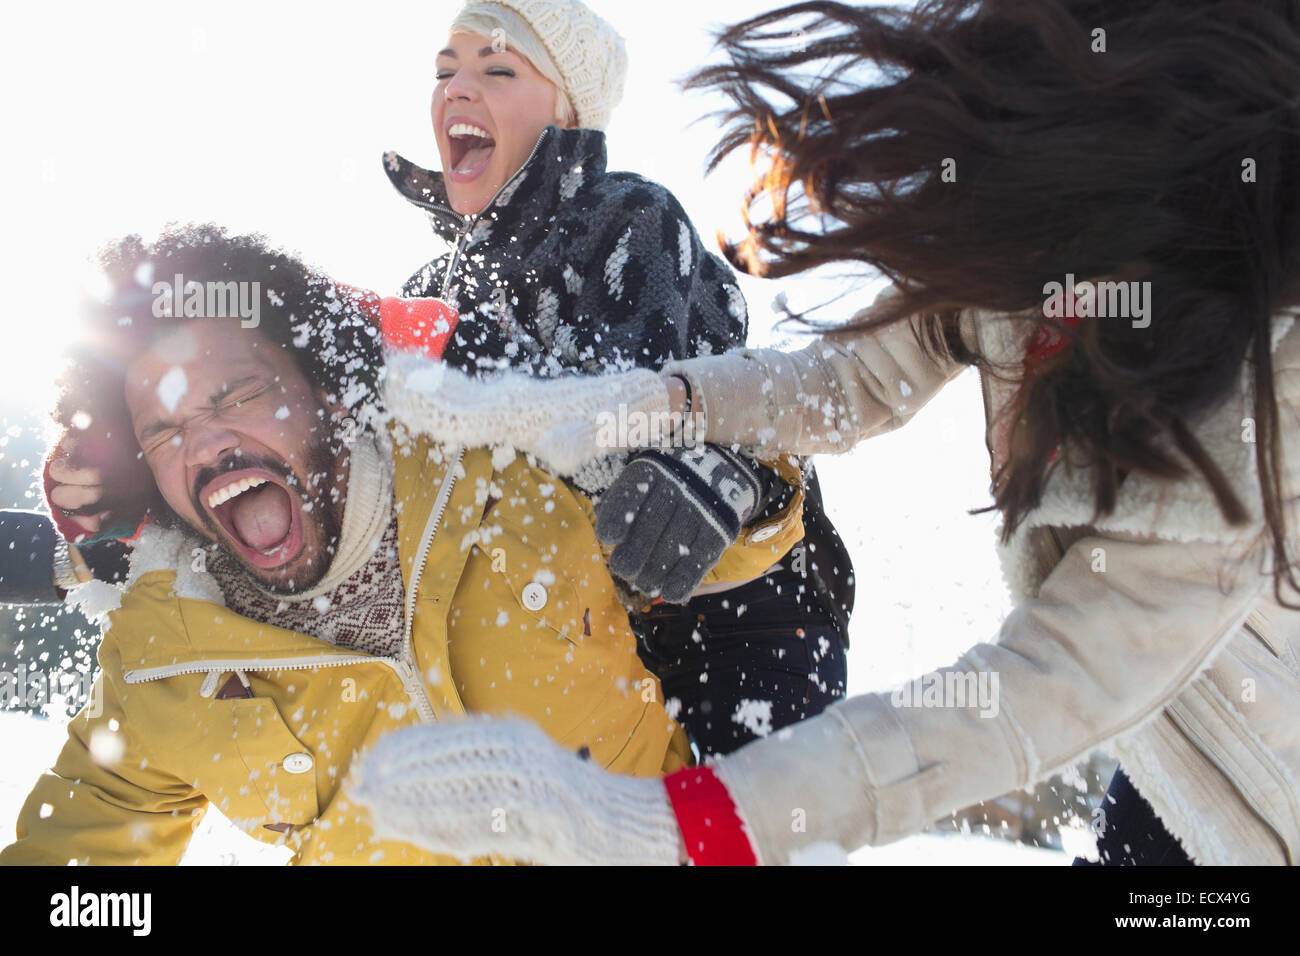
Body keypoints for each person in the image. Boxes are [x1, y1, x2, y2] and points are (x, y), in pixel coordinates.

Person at [346, 0, 1300, 866]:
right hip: (1180, 754)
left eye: (501, 66)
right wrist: (602, 408)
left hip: (1260, 780)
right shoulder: (1033, 251)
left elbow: (1040, 690)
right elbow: (847, 381)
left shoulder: (1260, 406)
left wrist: (677, 823)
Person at [0, 225, 781, 865]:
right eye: (162, 431)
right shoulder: (164, 663)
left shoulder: (505, 465)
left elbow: (758, 537)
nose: (204, 440)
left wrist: (738, 481)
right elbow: (73, 866)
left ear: (325, 392)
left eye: (238, 394)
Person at [383, 0, 854, 755]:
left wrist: (456, 364)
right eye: (445, 71)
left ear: (568, 110)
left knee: (751, 825)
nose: (456, 88)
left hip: (744, 609)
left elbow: (615, 425)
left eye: (497, 68)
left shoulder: (627, 219)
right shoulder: (432, 290)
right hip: (594, 621)